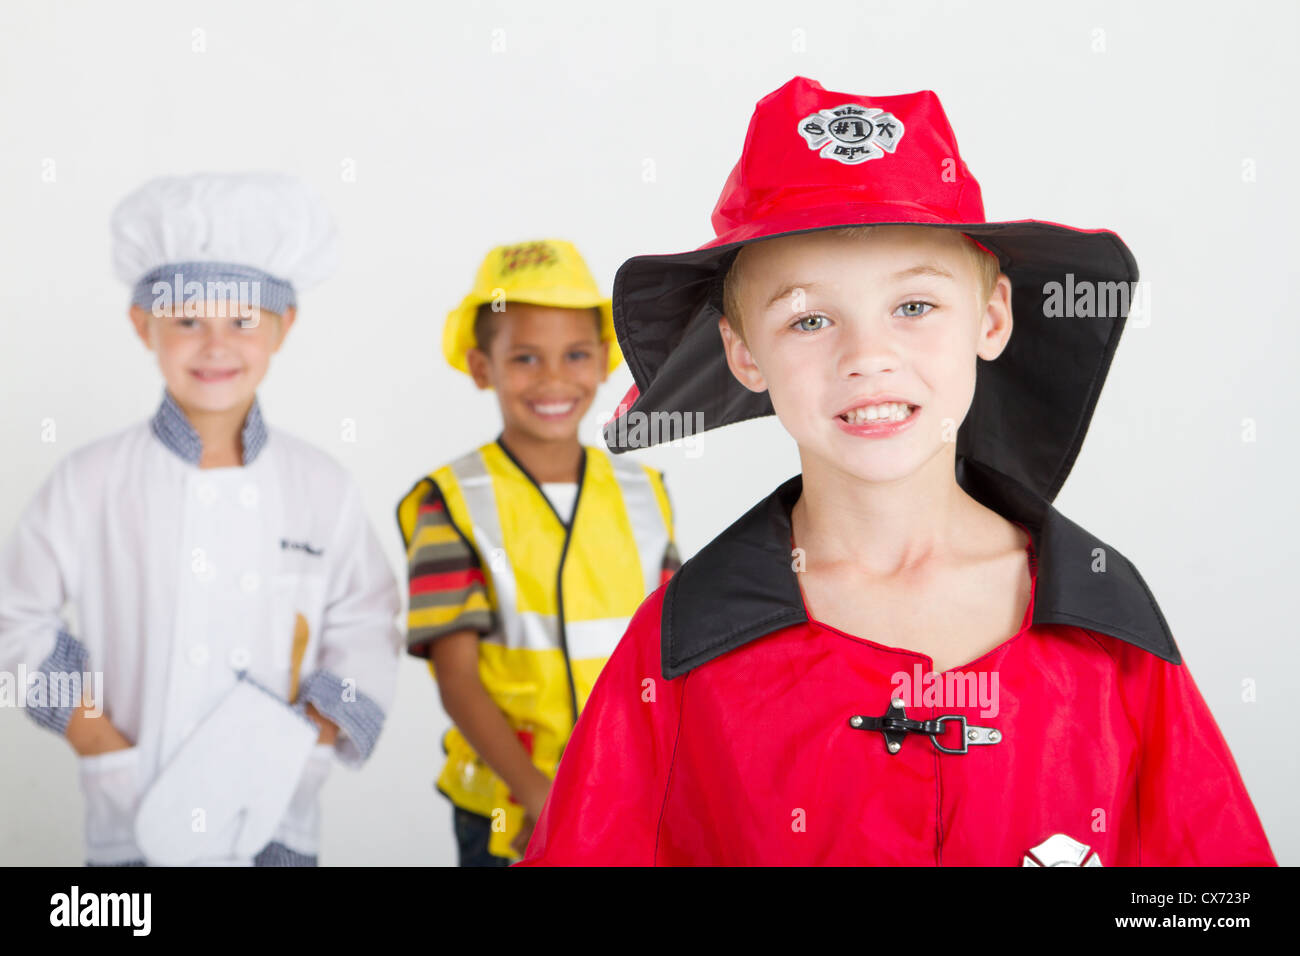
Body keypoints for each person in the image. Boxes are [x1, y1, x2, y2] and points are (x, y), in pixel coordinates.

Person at [518, 77, 1277, 865]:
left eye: (914, 307)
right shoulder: (681, 647)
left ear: (991, 319)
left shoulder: (1104, 622)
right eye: (809, 319)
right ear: (745, 355)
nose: (867, 358)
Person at [0, 172, 402, 866]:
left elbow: (367, 620)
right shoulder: (90, 481)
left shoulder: (321, 487)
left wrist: (305, 738)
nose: (216, 345)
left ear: (284, 327)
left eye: (243, 320)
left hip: (272, 814)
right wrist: (94, 735)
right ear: (142, 325)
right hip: (133, 807)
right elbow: (14, 617)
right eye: (187, 319)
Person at [396, 238, 680, 865]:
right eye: (525, 357)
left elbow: (672, 656)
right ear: (480, 366)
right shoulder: (450, 502)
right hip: (509, 808)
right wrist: (540, 796)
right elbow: (458, 679)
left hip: (627, 795)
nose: (553, 378)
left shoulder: (644, 493)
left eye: (575, 354)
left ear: (605, 360)